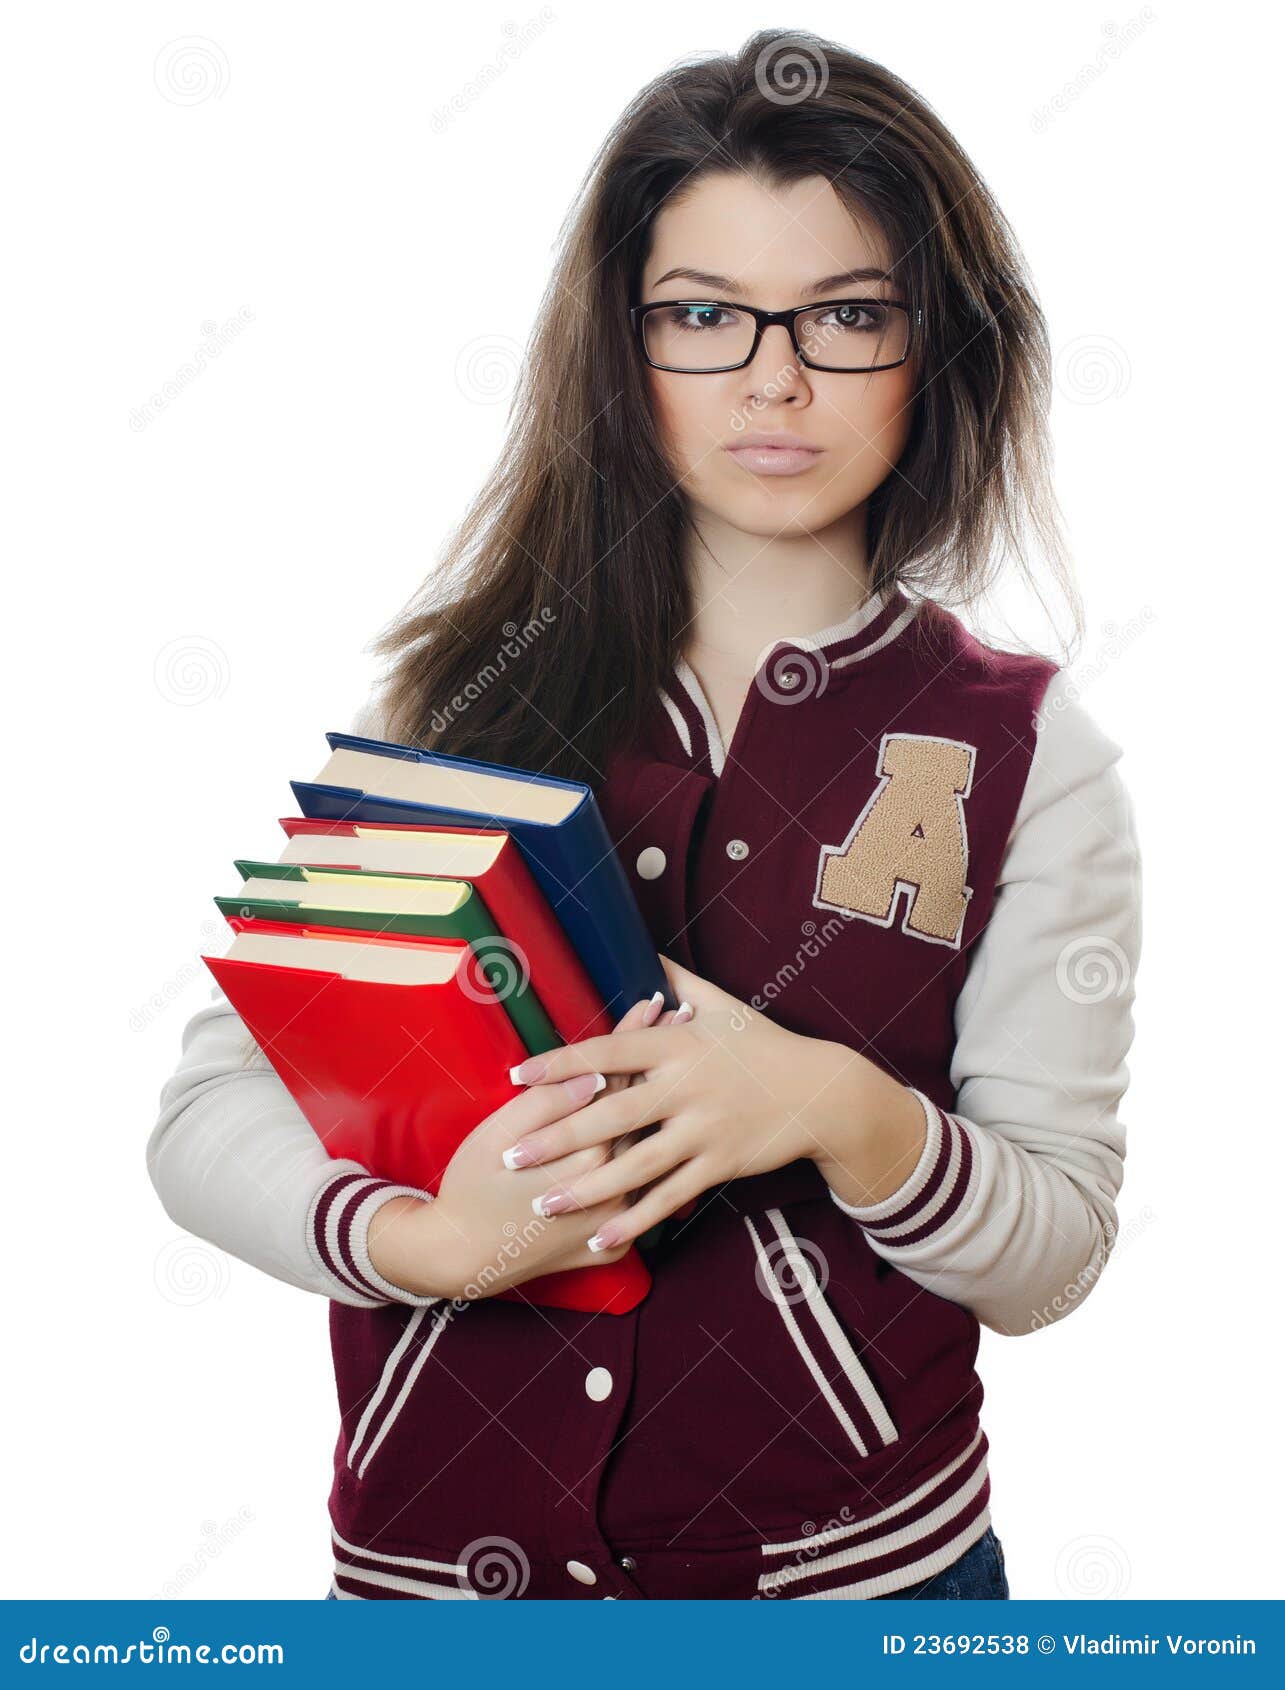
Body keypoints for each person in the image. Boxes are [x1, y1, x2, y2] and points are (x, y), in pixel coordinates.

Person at [147, 30, 1142, 1601]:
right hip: (433, 1600)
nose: (773, 375)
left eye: (846, 315)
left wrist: (832, 1105)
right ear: (622, 345)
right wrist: (427, 1239)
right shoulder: (462, 696)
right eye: (702, 315)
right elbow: (208, 1123)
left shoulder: (1026, 750)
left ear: (937, 348)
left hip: (860, 1598)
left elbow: (1053, 1249)